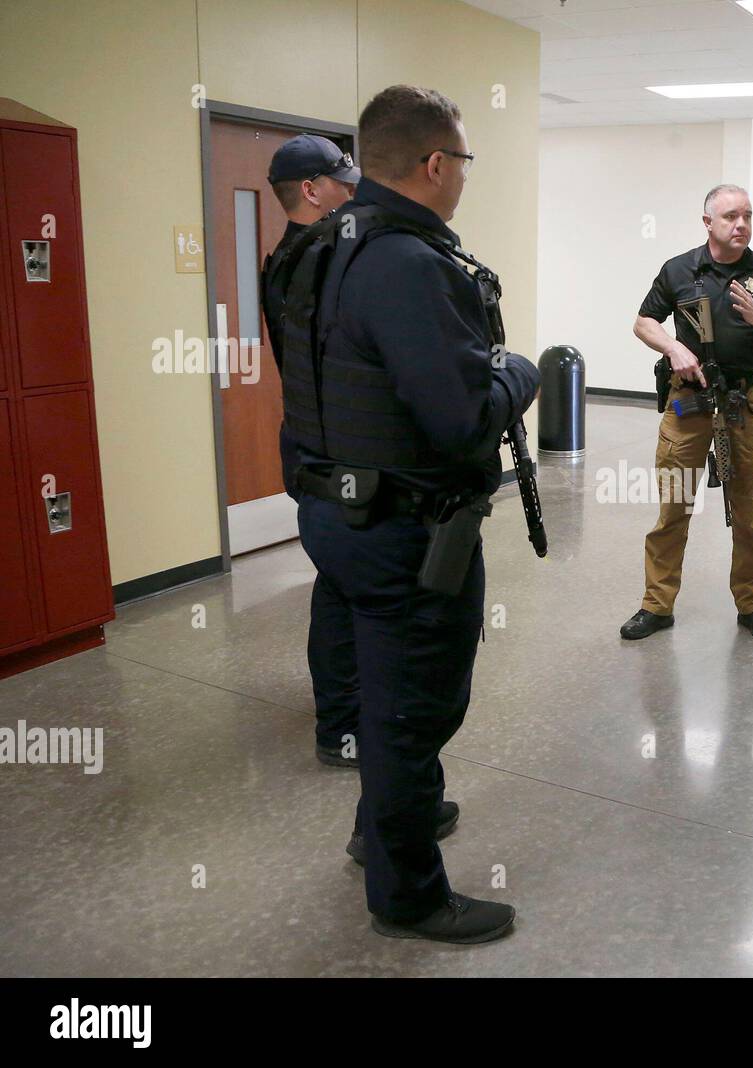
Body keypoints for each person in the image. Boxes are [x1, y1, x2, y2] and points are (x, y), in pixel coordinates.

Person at [280, 85, 540, 942]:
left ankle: (385, 822)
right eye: (462, 161)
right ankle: (409, 895)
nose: (463, 176)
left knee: (383, 689)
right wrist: (520, 373)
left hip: (336, 514)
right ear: (436, 165)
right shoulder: (412, 265)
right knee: (412, 710)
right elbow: (462, 417)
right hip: (405, 532)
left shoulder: (322, 247)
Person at [620, 184, 753, 643]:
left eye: (747, 216)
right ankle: (656, 606)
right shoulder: (679, 269)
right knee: (674, 507)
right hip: (688, 402)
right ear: (708, 223)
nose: (741, 225)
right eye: (730, 217)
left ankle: (752, 604)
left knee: (749, 513)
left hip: (744, 405)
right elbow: (643, 321)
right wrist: (673, 346)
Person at [261, 133, 361, 769]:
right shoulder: (319, 257)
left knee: (342, 581)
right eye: (340, 180)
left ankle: (347, 706)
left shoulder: (286, 257)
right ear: (310, 190)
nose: (350, 190)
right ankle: (340, 726)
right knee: (343, 587)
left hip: (309, 440)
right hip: (326, 448)